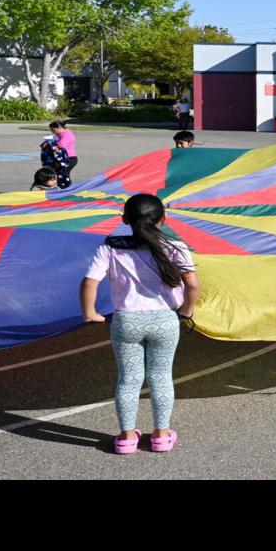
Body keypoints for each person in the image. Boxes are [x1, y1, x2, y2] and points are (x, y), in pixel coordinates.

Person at [78, 193, 200, 455]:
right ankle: (162, 436)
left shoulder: (110, 247)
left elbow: (90, 281)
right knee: (161, 377)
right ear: (164, 219)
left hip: (127, 321)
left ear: (124, 219)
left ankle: (126, 438)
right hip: (165, 319)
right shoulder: (176, 247)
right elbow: (192, 284)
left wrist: (90, 313)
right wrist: (187, 310)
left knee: (128, 380)